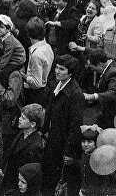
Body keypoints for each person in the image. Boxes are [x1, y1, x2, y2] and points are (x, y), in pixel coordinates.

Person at [41, 55, 84, 196]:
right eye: (57, 67)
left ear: (70, 73)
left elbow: (75, 124)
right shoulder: (57, 84)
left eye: (62, 69)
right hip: (53, 138)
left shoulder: (75, 94)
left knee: (59, 179)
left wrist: (70, 151)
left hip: (63, 143)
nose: (57, 71)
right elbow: (49, 110)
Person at [0, 104, 45, 195]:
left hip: (18, 186)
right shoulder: (22, 132)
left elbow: (30, 175)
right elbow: (10, 152)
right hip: (10, 180)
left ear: (33, 124)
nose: (19, 119)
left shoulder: (36, 146)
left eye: (23, 118)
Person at [83, 49, 116, 129]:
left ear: (100, 64)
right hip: (110, 112)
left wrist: (92, 96)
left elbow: (113, 93)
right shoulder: (112, 65)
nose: (93, 70)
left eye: (93, 68)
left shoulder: (114, 73)